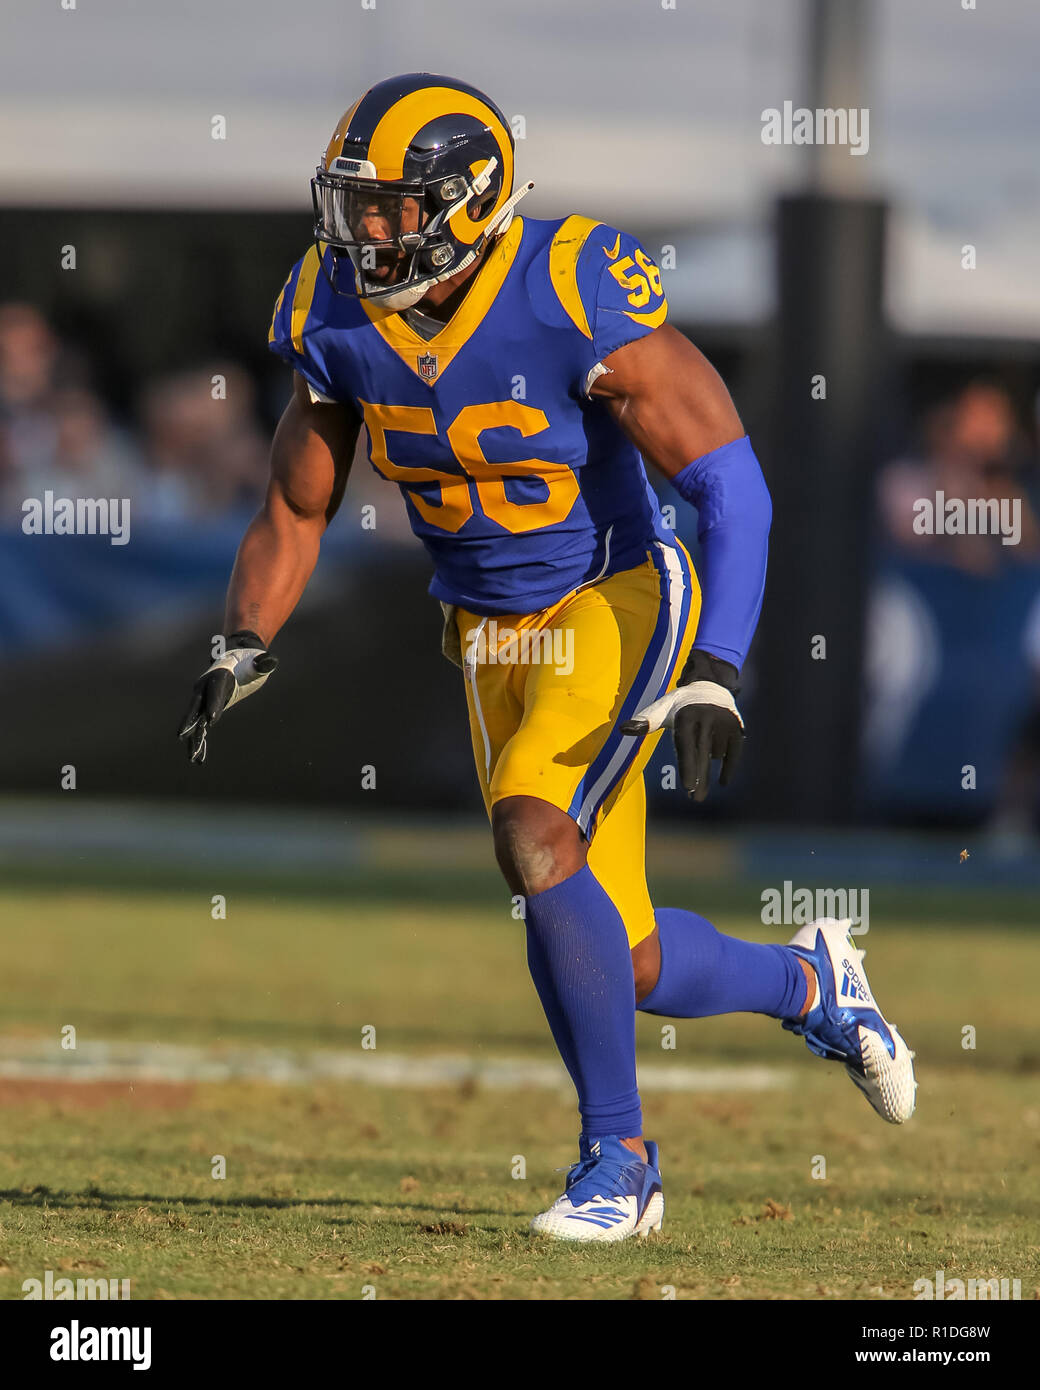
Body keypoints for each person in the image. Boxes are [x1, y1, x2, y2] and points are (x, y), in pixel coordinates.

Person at [178, 74, 915, 1242]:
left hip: (608, 591)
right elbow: (296, 502)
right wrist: (245, 635)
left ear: (467, 201)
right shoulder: (330, 306)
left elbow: (729, 481)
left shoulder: (565, 282)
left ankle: (618, 1163)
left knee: (531, 829)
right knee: (610, 950)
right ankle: (813, 986)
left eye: (387, 210)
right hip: (480, 624)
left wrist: (717, 661)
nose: (361, 235)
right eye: (352, 208)